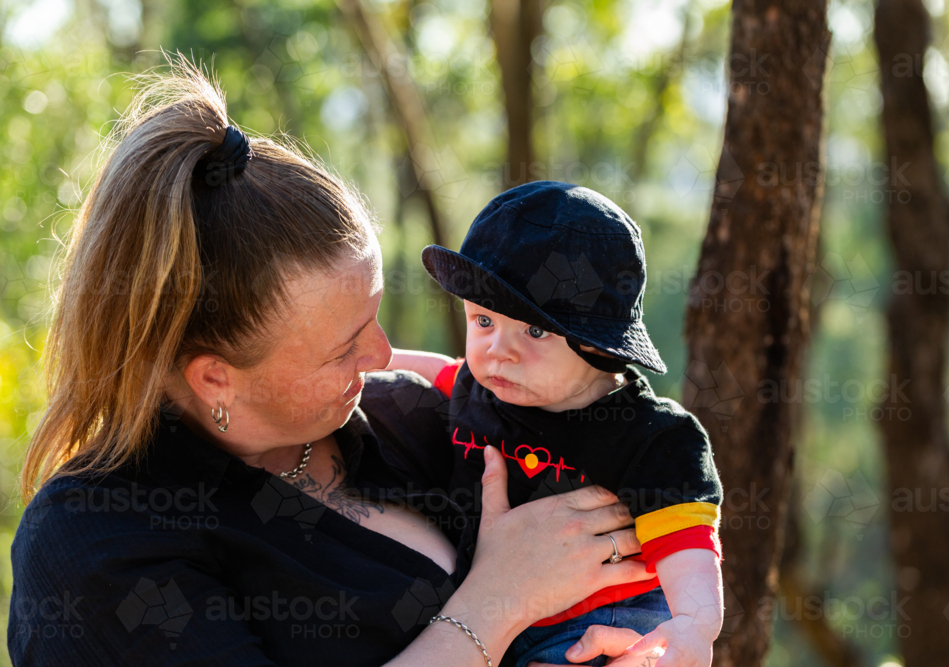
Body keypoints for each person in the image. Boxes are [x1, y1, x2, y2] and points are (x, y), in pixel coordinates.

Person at [8, 60, 658, 666]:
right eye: (342, 347)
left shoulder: (409, 414)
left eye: (373, 315)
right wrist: (498, 602)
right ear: (215, 377)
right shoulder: (97, 543)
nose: (380, 352)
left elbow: (645, 483)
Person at [387, 182, 725, 667]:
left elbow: (687, 542)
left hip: (601, 621)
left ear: (598, 345)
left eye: (535, 330)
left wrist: (695, 626)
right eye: (483, 321)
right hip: (490, 615)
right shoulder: (480, 387)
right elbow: (436, 368)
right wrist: (375, 360)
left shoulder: (648, 436)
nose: (497, 349)